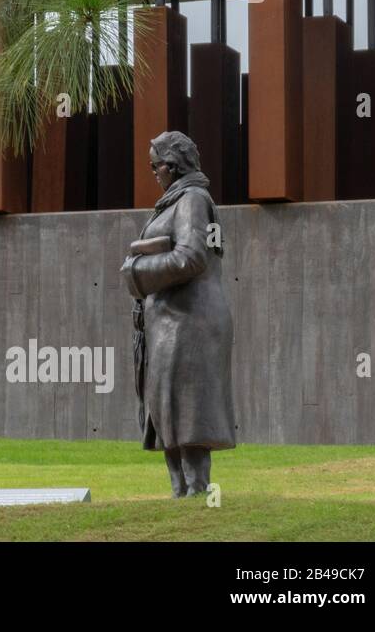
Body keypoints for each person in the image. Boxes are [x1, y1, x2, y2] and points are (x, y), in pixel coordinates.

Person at [121, 130, 236, 497]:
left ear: (171, 166)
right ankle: (180, 492)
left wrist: (136, 272)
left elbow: (191, 257)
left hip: (189, 320)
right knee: (165, 403)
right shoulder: (174, 202)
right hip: (170, 320)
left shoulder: (192, 200)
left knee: (187, 405)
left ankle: (197, 489)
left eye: (155, 166)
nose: (153, 173)